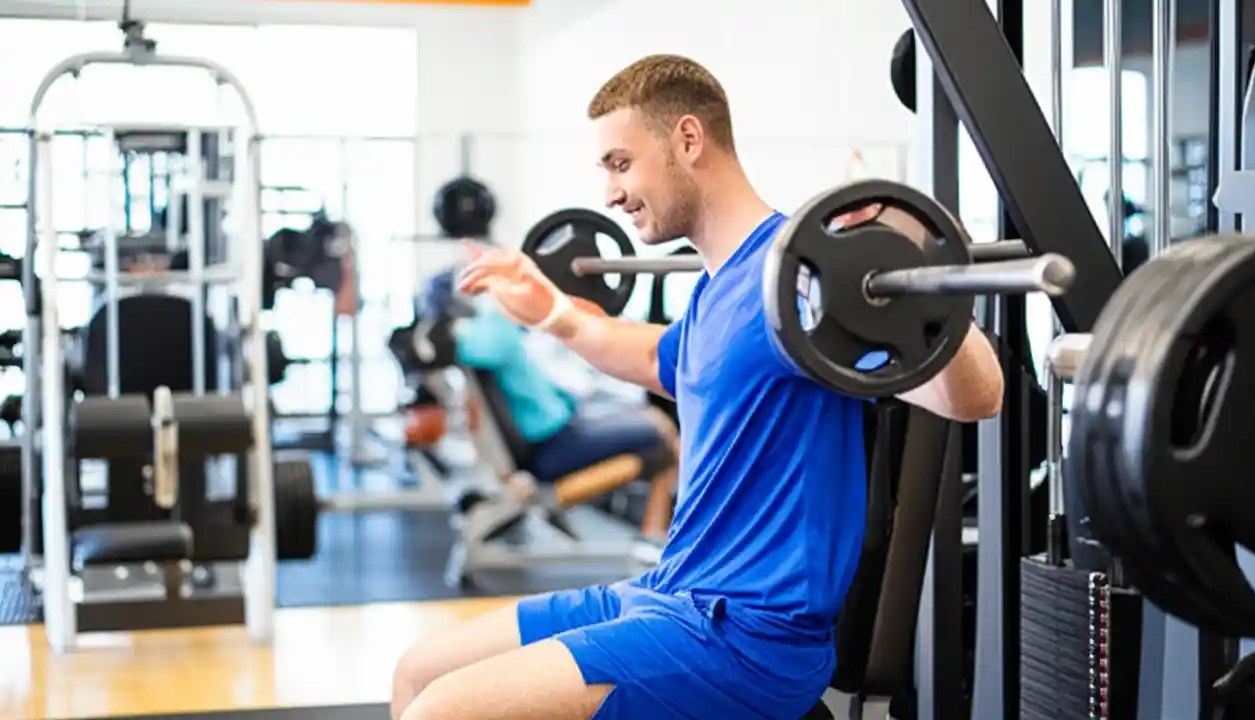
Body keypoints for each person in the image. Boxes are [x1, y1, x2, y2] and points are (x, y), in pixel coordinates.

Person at [391, 54, 1005, 720]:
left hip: (744, 637)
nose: (609, 195)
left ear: (688, 139)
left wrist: (912, 278)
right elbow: (656, 357)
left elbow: (975, 397)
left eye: (621, 164)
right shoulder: (720, 287)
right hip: (672, 591)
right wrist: (554, 312)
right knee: (419, 673)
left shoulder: (803, 284)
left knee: (444, 712)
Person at [448, 284, 680, 543]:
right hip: (554, 446)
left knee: (653, 419)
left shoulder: (490, 329)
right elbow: (469, 348)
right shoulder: (495, 331)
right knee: (663, 435)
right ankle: (656, 536)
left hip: (561, 431)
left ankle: (660, 534)